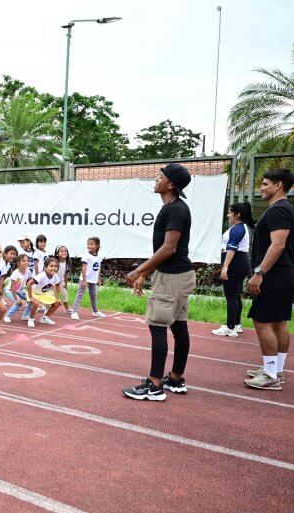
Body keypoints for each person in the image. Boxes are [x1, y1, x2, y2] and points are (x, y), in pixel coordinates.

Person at [124, 163, 196, 402]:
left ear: (171, 184)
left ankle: (155, 386)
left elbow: (169, 248)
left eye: (160, 176)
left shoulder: (175, 209)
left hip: (172, 278)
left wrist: (138, 270)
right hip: (178, 275)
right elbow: (165, 251)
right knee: (178, 326)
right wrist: (147, 273)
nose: (156, 180)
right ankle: (175, 379)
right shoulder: (172, 207)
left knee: (158, 327)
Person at [244, 169, 294, 390]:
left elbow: (278, 244)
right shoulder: (284, 209)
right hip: (282, 273)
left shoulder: (279, 210)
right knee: (278, 322)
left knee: (263, 321)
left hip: (275, 275)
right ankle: (276, 369)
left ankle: (270, 374)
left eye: (265, 184)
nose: (261, 188)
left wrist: (259, 272)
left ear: (279, 185)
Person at [212, 203, 253, 337]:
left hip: (235, 264)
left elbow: (232, 249)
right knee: (235, 296)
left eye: (230, 212)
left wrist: (225, 267)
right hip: (241, 264)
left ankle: (230, 327)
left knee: (231, 296)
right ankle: (236, 325)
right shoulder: (241, 228)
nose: (228, 215)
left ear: (238, 215)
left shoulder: (237, 229)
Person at [70, 237, 106, 320]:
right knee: (80, 295)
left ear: (97, 246)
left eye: (91, 244)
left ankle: (95, 311)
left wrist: (98, 279)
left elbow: (99, 268)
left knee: (93, 295)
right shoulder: (86, 256)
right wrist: (84, 280)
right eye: (88, 244)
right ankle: (74, 312)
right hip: (85, 279)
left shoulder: (99, 257)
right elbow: (84, 268)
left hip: (93, 280)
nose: (89, 246)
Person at [27, 257, 62, 327]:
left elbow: (58, 286)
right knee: (36, 303)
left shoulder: (55, 276)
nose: (53, 268)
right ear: (45, 267)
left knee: (57, 303)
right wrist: (31, 297)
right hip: (34, 293)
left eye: (55, 266)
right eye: (51, 266)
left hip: (43, 294)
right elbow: (29, 284)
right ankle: (31, 319)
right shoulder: (42, 276)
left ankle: (45, 318)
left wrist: (57, 297)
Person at [4, 254, 32, 323]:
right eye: (23, 261)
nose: (26, 262)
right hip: (10, 291)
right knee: (18, 303)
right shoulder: (15, 273)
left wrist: (30, 295)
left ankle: (25, 315)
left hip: (20, 290)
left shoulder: (28, 271)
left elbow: (30, 283)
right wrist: (16, 299)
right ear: (18, 263)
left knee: (32, 300)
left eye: (28, 261)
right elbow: (13, 287)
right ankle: (7, 316)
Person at [54, 245, 73, 313]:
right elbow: (53, 273)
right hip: (54, 282)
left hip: (61, 282)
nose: (64, 253)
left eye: (65, 251)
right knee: (52, 295)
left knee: (65, 294)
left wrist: (66, 284)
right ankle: (45, 307)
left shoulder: (67, 263)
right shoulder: (55, 262)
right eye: (61, 251)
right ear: (57, 253)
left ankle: (67, 308)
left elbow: (66, 275)